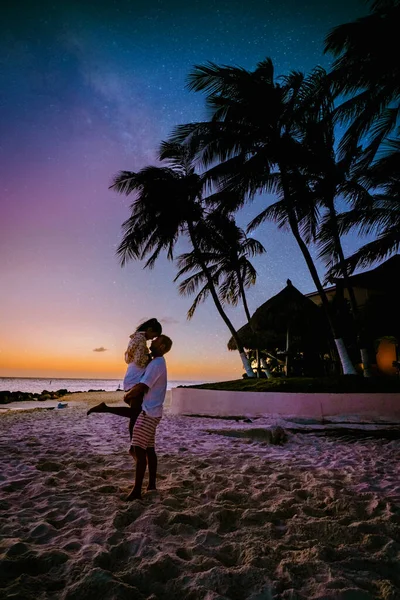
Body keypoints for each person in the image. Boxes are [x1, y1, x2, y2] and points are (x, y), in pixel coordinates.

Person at [88, 334, 173, 501]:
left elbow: (142, 386)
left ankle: (136, 492)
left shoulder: (157, 363)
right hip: (153, 411)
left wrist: (128, 395)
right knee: (149, 449)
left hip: (148, 412)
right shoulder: (156, 362)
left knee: (138, 450)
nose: (152, 341)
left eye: (156, 340)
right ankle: (151, 485)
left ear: (163, 347)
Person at [123, 318, 162, 438]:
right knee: (135, 414)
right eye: (153, 336)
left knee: (136, 413)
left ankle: (133, 442)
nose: (152, 339)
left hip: (132, 376)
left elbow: (127, 358)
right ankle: (133, 443)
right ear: (149, 330)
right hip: (135, 378)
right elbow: (140, 360)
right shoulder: (140, 339)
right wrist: (151, 358)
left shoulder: (134, 338)